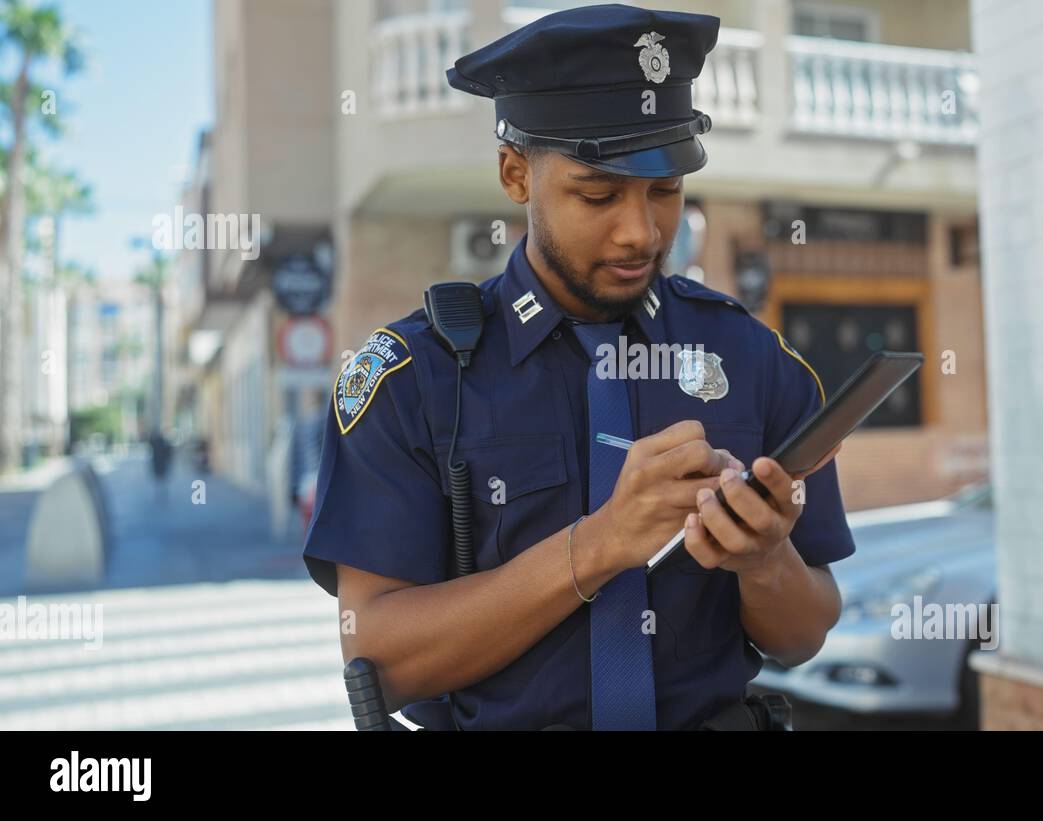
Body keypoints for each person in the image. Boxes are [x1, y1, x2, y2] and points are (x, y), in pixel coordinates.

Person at [303, 3, 855, 730]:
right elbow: (377, 656)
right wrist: (599, 545)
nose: (642, 231)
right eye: (597, 194)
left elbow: (805, 632)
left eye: (666, 190)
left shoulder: (752, 360)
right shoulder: (413, 379)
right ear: (514, 174)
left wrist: (762, 560)